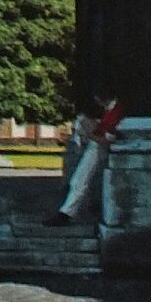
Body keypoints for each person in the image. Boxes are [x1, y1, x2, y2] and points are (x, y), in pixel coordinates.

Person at [46, 92, 123, 227]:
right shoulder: (111, 110)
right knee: (79, 179)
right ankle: (67, 211)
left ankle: (67, 213)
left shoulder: (115, 112)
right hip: (96, 147)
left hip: (99, 148)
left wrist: (88, 132)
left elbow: (106, 140)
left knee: (80, 179)